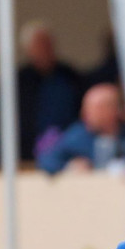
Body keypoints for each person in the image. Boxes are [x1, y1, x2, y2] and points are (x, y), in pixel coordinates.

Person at [17, 20, 82, 162]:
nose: (44, 49)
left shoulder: (69, 76)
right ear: (28, 49)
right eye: (38, 45)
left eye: (47, 44)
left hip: (66, 150)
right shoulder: (18, 81)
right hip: (26, 152)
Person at [36, 83, 125, 175]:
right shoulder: (78, 136)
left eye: (95, 109)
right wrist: (70, 166)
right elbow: (47, 161)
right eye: (86, 108)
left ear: (113, 110)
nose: (86, 114)